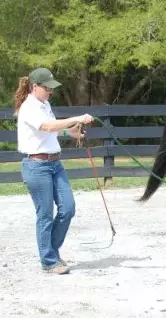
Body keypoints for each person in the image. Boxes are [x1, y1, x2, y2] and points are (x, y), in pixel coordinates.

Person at [14, 67, 94, 275]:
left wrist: (71, 130)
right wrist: (78, 117)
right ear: (34, 87)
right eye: (47, 88)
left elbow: (54, 129)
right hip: (36, 166)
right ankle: (49, 261)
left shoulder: (45, 104)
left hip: (55, 164)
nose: (51, 91)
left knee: (68, 208)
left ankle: (51, 251)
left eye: (51, 88)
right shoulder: (28, 108)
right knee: (45, 215)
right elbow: (47, 127)